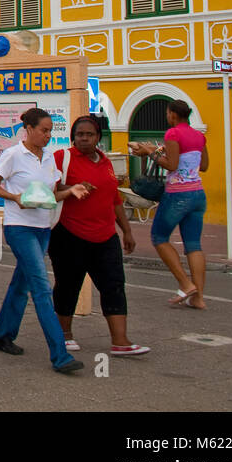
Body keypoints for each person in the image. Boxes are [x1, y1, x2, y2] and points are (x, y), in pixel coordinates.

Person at [0, 107, 90, 374]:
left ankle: (1, 335)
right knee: (42, 289)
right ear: (29, 129)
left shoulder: (48, 159)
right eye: (43, 130)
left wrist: (72, 190)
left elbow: (51, 195)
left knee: (21, 285)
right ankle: (60, 355)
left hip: (43, 227)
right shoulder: (12, 155)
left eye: (50, 131)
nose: (47, 136)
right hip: (19, 228)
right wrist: (15, 197)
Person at [51, 115, 149, 356]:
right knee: (68, 285)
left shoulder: (105, 162)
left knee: (114, 285)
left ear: (98, 137)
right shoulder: (62, 158)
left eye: (89, 134)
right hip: (69, 234)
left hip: (106, 236)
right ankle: (64, 334)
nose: (84, 138)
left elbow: (114, 199)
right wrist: (73, 188)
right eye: (80, 134)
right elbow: (49, 189)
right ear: (73, 136)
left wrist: (126, 230)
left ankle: (121, 340)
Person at [128, 99, 209, 309]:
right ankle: (198, 298)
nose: (167, 117)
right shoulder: (199, 136)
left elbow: (171, 164)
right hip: (198, 194)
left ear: (173, 114)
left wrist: (150, 153)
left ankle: (185, 283)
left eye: (167, 113)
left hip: (177, 195)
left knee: (159, 237)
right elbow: (205, 165)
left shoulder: (173, 133)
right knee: (193, 245)